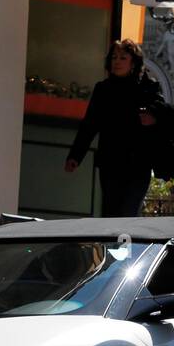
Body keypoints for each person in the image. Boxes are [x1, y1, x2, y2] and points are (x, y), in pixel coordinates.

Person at [64, 39, 164, 217]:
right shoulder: (104, 89)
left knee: (128, 212)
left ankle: (124, 244)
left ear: (134, 62)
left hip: (138, 163)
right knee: (111, 212)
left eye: (123, 58)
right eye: (114, 58)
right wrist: (75, 156)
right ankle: (110, 245)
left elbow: (164, 118)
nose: (117, 62)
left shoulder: (148, 88)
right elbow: (90, 124)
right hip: (111, 161)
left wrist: (153, 119)